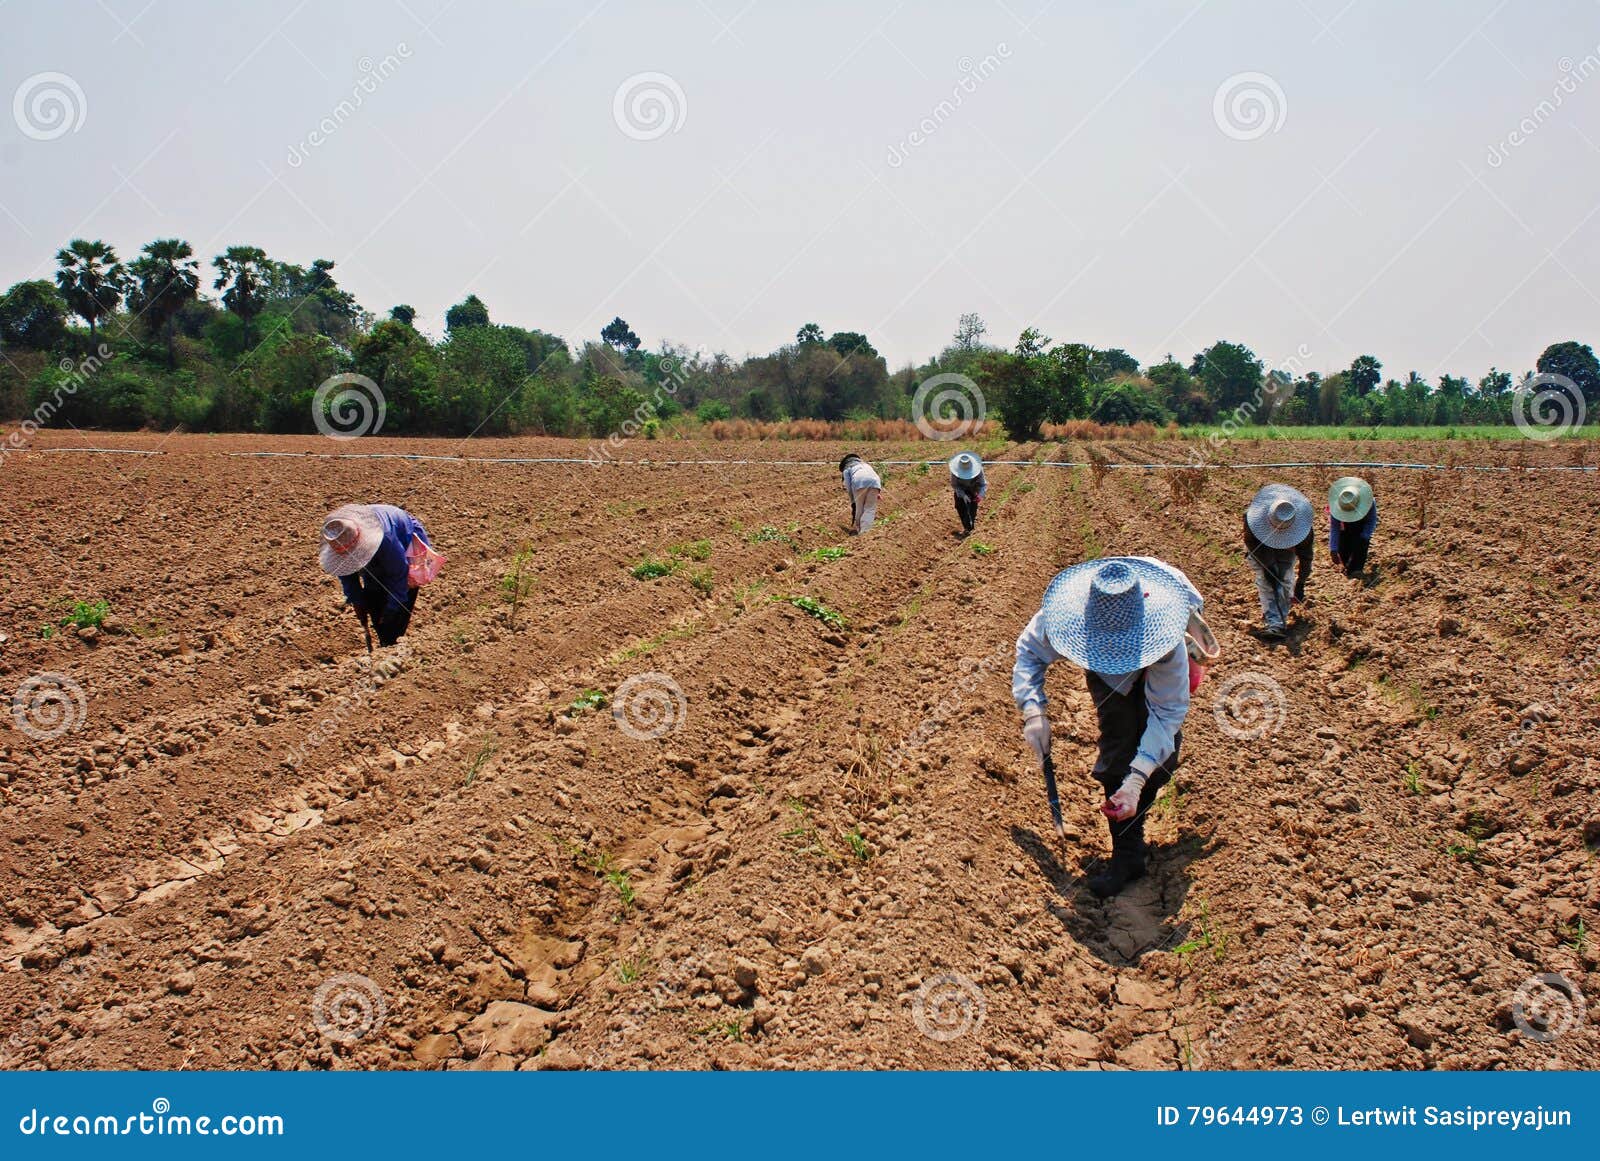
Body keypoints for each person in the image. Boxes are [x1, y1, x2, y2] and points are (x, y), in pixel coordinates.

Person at [1012, 556, 1204, 898]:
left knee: (1160, 755)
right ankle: (1127, 854)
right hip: (1106, 675)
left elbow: (1168, 711)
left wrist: (1137, 780)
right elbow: (1029, 653)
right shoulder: (1064, 617)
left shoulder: (1165, 633)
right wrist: (1032, 708)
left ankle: (1135, 812)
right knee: (1118, 743)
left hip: (1159, 660)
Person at [318, 503, 434, 648]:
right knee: (374, 593)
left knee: (401, 598)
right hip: (379, 549)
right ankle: (383, 638)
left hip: (403, 539)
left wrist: (390, 612)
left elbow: (399, 575)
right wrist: (357, 601)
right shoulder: (341, 540)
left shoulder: (386, 539)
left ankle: (392, 641)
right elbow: (346, 576)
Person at [1243, 483, 1313, 640]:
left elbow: (1306, 557)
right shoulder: (1253, 520)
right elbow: (1252, 544)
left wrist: (1301, 584)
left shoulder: (1303, 530)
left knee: (1285, 579)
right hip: (1261, 547)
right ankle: (1274, 624)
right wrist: (1269, 566)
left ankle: (1278, 617)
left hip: (1287, 549)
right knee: (1267, 582)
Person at [1327, 476, 1377, 578]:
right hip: (1345, 528)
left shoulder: (1369, 502)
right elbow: (1335, 527)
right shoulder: (1337, 506)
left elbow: (1371, 521)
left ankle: (1357, 569)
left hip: (1361, 527)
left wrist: (1365, 536)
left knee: (1360, 546)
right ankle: (1347, 568)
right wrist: (1333, 548)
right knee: (1344, 552)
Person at [839, 453, 882, 534]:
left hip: (859, 482)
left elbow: (848, 486)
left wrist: (853, 501)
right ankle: (866, 532)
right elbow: (872, 476)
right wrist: (877, 492)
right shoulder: (866, 465)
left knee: (859, 509)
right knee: (870, 509)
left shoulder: (847, 468)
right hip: (875, 482)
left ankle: (859, 531)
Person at [949, 451, 987, 536]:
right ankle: (966, 527)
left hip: (973, 489)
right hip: (961, 490)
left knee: (972, 508)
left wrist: (980, 495)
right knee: (960, 507)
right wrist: (963, 495)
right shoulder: (954, 472)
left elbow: (983, 484)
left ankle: (970, 528)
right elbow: (954, 485)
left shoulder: (978, 470)